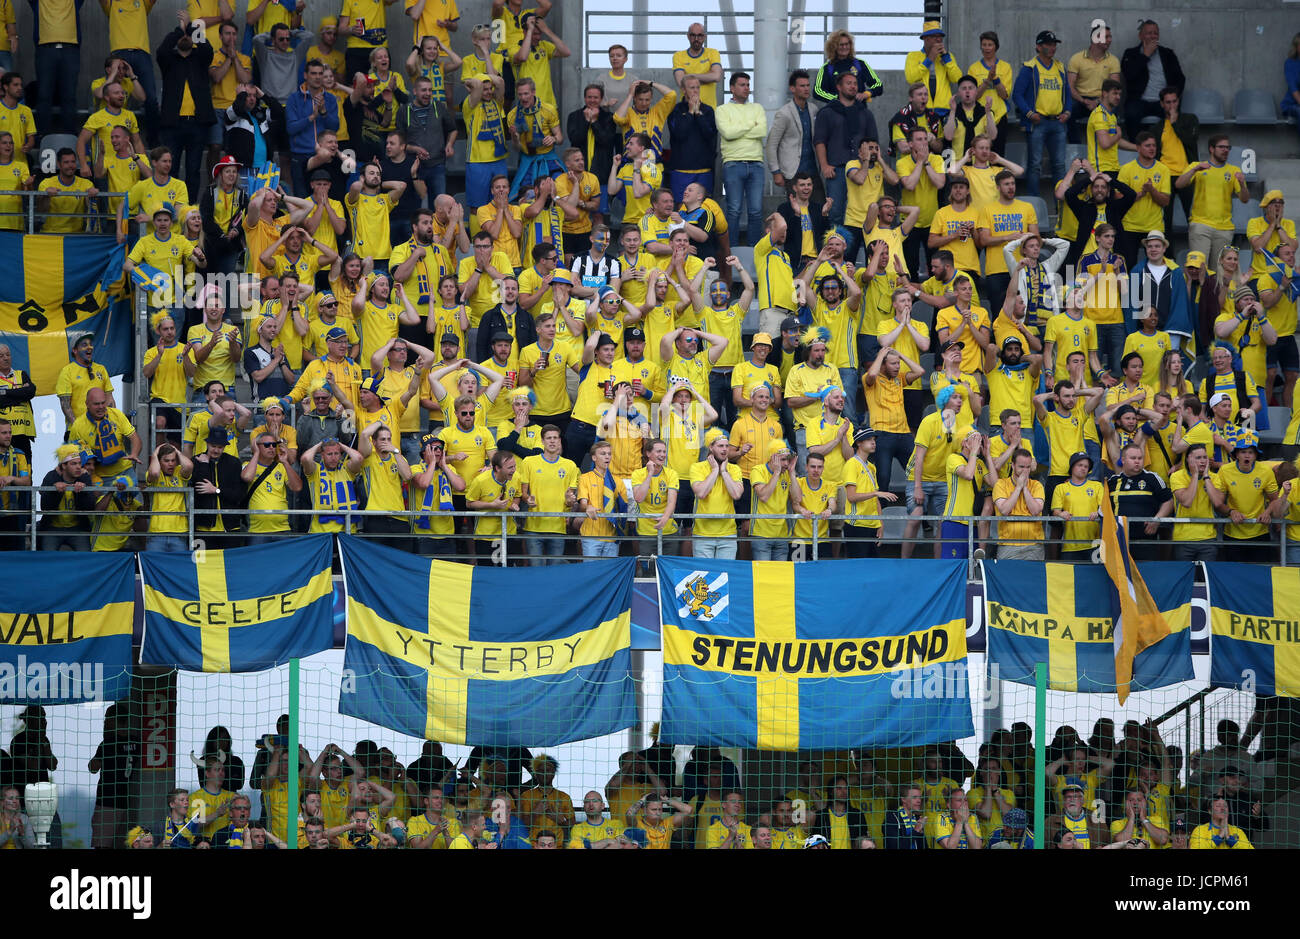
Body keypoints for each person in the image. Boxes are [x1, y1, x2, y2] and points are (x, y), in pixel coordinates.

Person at [812, 71, 877, 228]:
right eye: (849, 83)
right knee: (835, 213)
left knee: (863, 211)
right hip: (837, 170)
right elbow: (819, 141)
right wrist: (825, 166)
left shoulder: (865, 113)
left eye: (855, 84)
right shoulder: (827, 113)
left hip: (861, 169)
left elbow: (873, 141)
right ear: (838, 87)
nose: (853, 86)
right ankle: (837, 249)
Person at [1176, 135, 1248, 265]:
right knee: (1199, 268)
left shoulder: (1234, 170)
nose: (1225, 150)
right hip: (1200, 224)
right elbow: (1179, 184)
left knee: (1218, 273)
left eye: (1228, 147)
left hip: (1224, 228)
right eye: (1221, 147)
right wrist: (1194, 170)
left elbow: (1244, 199)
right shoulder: (1197, 166)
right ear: (1211, 149)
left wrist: (1242, 184)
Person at [1207, 436, 1280, 563]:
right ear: (1236, 455)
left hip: (1260, 532)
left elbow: (1275, 499)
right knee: (1234, 576)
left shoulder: (1265, 471)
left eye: (1251, 452)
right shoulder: (1225, 471)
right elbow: (1219, 503)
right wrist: (1231, 512)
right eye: (1243, 452)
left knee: (1259, 574)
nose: (1247, 456)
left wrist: (1267, 512)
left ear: (1256, 455)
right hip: (1233, 533)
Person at [1013, 30, 1070, 189]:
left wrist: (1067, 112)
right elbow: (1017, 95)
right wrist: (1030, 114)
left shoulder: (1060, 67)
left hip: (1058, 122)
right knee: (1035, 165)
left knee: (1059, 165)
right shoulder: (1029, 67)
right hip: (1038, 123)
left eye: (1054, 45)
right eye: (1048, 44)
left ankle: (1060, 206)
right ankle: (1035, 207)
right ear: (1038, 46)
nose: (1052, 48)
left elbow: (1067, 94)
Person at [715, 72, 767, 247]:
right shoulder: (722, 110)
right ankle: (732, 251)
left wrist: (739, 129)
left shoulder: (757, 108)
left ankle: (754, 251)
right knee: (734, 210)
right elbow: (728, 134)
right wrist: (751, 125)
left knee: (756, 211)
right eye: (742, 85)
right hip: (733, 163)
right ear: (732, 88)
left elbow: (762, 131)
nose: (747, 88)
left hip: (756, 164)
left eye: (748, 84)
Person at [1106, 441, 1174, 559]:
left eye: (1140, 458)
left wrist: (1157, 520)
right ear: (1123, 460)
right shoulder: (1112, 481)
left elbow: (1169, 501)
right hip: (1119, 541)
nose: (1137, 461)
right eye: (1133, 458)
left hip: (1146, 542)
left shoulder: (1152, 478)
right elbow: (1104, 507)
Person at [1120, 20, 1186, 139]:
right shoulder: (1130, 54)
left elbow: (1180, 79)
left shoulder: (1167, 54)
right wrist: (1145, 56)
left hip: (1162, 101)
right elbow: (1129, 76)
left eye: (1155, 33)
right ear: (1141, 36)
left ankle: (1168, 151)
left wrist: (1172, 97)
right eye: (1149, 33)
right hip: (1139, 101)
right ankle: (1137, 149)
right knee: (1131, 114)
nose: (1153, 36)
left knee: (1175, 119)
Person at [769, 70, 823, 209]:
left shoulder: (813, 109)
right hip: (792, 171)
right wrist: (776, 172)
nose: (806, 89)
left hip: (813, 170)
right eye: (802, 86)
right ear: (792, 88)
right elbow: (771, 144)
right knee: (796, 211)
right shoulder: (784, 113)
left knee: (819, 209)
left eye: (807, 85)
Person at [1067, 21, 1120, 145]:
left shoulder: (1113, 60)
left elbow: (1115, 88)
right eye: (1106, 37)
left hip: (1103, 99)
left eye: (1110, 36)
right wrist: (1084, 101)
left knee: (1112, 109)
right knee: (1069, 110)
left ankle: (1106, 146)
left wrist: (1097, 102)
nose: (1110, 40)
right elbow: (1070, 86)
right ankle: (1076, 148)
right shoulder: (1077, 58)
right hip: (1081, 99)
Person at [904, 21, 959, 115]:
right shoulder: (913, 56)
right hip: (922, 109)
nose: (939, 40)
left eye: (940, 36)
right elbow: (911, 78)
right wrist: (929, 59)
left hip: (944, 110)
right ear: (925, 38)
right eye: (934, 36)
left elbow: (957, 78)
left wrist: (946, 58)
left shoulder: (948, 57)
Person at [816, 30, 883, 105]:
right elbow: (817, 91)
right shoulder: (827, 67)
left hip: (859, 111)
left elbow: (878, 85)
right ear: (833, 47)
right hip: (836, 112)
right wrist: (839, 99)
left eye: (847, 44)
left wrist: (866, 94)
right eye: (841, 45)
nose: (844, 47)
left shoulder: (860, 64)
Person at [671, 23, 722, 109]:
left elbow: (716, 76)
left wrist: (689, 77)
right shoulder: (678, 55)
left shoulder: (713, 53)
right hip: (686, 109)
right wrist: (708, 76)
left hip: (709, 111)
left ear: (705, 37)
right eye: (693, 35)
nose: (696, 39)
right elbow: (680, 82)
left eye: (700, 35)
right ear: (687, 36)